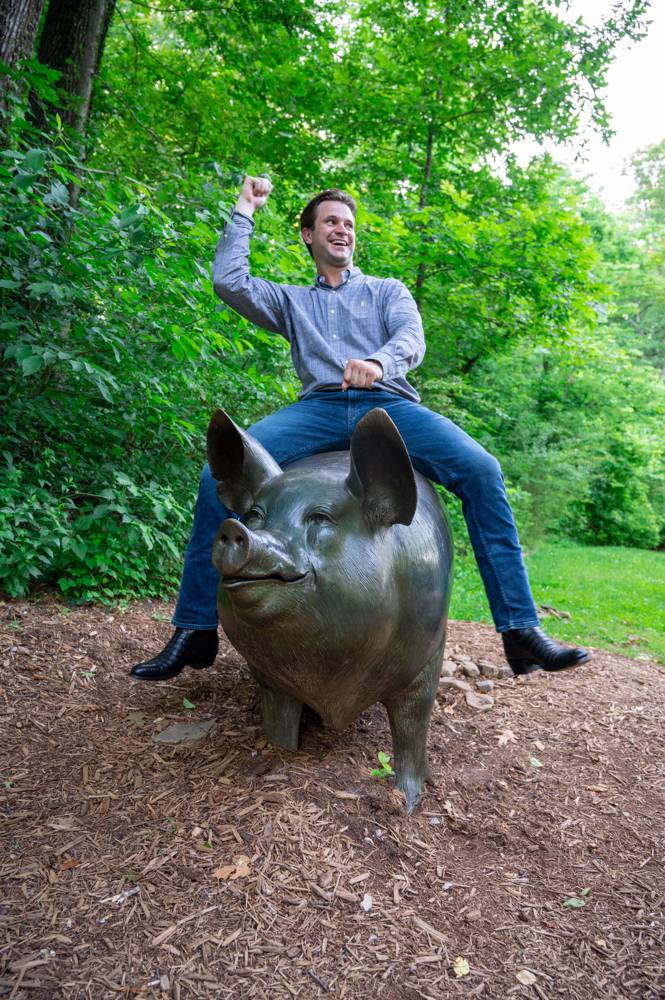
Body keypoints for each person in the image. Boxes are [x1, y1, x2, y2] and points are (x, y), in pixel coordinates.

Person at [130, 175, 589, 682]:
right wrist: (245, 209)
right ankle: (195, 629)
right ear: (309, 235)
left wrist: (378, 361)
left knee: (482, 469)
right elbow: (228, 282)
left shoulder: (386, 291)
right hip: (320, 409)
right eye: (330, 221)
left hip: (389, 407)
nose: (342, 230)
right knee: (215, 477)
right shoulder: (291, 302)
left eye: (348, 224)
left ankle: (520, 630)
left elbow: (411, 339)